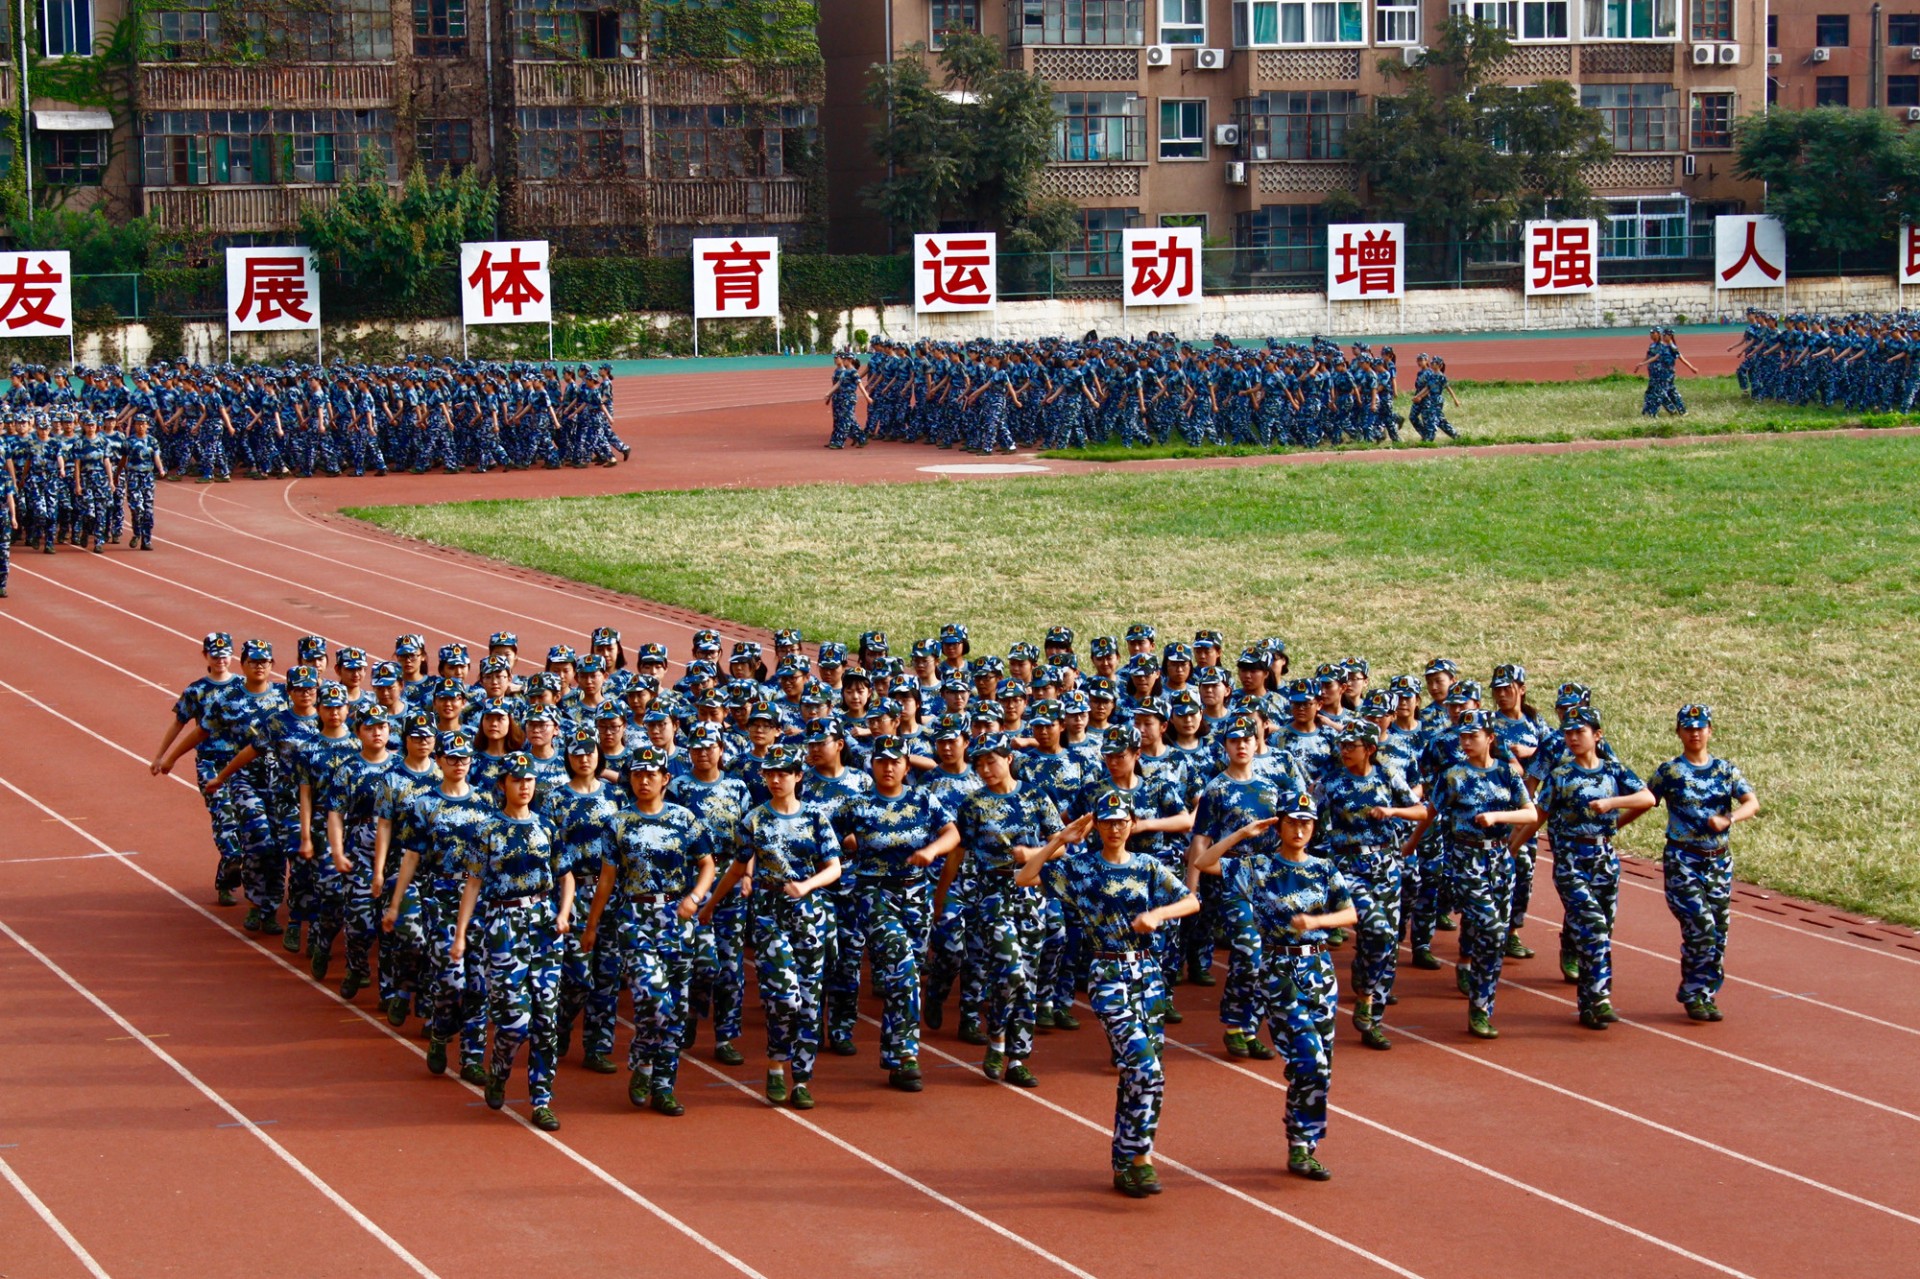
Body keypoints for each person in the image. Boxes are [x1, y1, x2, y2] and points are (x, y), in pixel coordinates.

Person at [1020, 793, 1194, 1197]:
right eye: (1108, 821)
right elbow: (1025, 877)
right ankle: (1137, 1155)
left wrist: (1158, 914)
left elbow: (1190, 900)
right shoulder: (1081, 868)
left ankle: (1133, 1158)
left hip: (1148, 973)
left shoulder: (1149, 867)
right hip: (1109, 972)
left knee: (1148, 1076)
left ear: (1132, 824)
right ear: (1097, 826)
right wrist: (1059, 840)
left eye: (1122, 821)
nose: (1115, 828)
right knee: (1143, 1066)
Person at [1190, 787, 1356, 1180]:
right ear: (1278, 825)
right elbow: (1204, 861)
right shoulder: (1258, 866)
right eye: (1292, 823)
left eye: (1306, 823)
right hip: (1279, 972)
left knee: (1320, 1067)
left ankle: (1302, 1146)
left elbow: (1349, 914)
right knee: (1310, 1060)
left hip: (1319, 970)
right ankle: (1301, 1140)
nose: (1299, 830)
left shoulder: (1324, 869)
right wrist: (1240, 836)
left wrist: (1317, 922)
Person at [703, 744, 842, 1110]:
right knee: (783, 997)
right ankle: (776, 1064)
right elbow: (737, 867)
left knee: (810, 1004)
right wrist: (711, 906)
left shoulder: (815, 818)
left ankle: (802, 1079)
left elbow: (834, 867)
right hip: (769, 914)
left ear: (798, 776)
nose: (776, 779)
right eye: (770, 773)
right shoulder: (753, 820)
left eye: (784, 773)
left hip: (810, 914)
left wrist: (808, 885)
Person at [581, 745, 717, 1117]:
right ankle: (642, 1061)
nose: (644, 780)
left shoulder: (684, 818)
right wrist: (592, 925)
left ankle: (663, 1085)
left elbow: (708, 865)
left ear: (665, 779)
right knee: (654, 1002)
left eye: (651, 774)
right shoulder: (618, 822)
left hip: (677, 916)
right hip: (635, 917)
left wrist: (695, 898)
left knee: (676, 1007)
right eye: (637, 774)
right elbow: (607, 879)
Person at [451, 751, 575, 1131]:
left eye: (529, 780)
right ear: (502, 784)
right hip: (503, 923)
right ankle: (500, 1068)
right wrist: (460, 936)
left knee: (546, 1020)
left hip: (543, 926)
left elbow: (565, 874)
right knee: (515, 1020)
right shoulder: (487, 831)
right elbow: (472, 884)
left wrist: (564, 912)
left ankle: (541, 1100)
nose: (524, 786)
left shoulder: (548, 828)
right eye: (516, 780)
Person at [1514, 706, 1654, 1029]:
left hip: (1605, 861)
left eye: (1581, 732)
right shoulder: (1560, 777)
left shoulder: (1613, 771)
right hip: (1571, 863)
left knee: (1601, 931)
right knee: (1594, 927)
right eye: (1569, 732)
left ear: (1597, 735)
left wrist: (1613, 809)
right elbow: (1538, 817)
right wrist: (1511, 849)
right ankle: (1601, 999)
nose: (1573, 738)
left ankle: (1587, 1004)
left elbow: (1647, 798)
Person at [1403, 708, 1537, 1039]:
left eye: (1472, 736)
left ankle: (1480, 1006)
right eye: (1462, 736)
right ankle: (1478, 1003)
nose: (1466, 742)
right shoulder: (1453, 777)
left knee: (1494, 935)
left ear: (1490, 738)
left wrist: (1497, 819)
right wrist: (1410, 845)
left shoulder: (1507, 773)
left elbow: (1530, 814)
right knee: (1490, 929)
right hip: (1465, 859)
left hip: (1500, 861)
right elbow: (1430, 812)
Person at [837, 733, 959, 1091]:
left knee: (905, 977)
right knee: (902, 969)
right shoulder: (856, 806)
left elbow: (952, 833)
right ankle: (907, 1056)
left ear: (907, 766)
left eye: (895, 762)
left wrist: (933, 850)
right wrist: (848, 846)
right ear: (872, 766)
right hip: (874, 895)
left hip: (916, 896)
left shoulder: (923, 799)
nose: (888, 767)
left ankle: (893, 1052)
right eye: (881, 761)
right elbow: (827, 839)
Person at [1647, 704, 1758, 1023]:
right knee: (1701, 925)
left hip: (1718, 861)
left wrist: (1729, 818)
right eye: (1688, 727)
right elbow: (1645, 798)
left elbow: (1752, 802)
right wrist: (1614, 822)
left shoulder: (1725, 770)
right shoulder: (1670, 771)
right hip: (1683, 859)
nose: (1695, 733)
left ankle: (1706, 993)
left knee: (1719, 931)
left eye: (1700, 727)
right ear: (1679, 732)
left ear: (1710, 731)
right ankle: (1694, 991)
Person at [1321, 722, 1426, 1050]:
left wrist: (1393, 810)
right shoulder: (1331, 783)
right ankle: (1365, 992)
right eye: (1342, 745)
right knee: (1377, 929)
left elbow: (1420, 811)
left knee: (1388, 945)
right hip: (1350, 867)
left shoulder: (1387, 776)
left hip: (1386, 867)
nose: (1345, 750)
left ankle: (1373, 1019)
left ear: (1369, 748)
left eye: (1351, 745)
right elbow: (1312, 822)